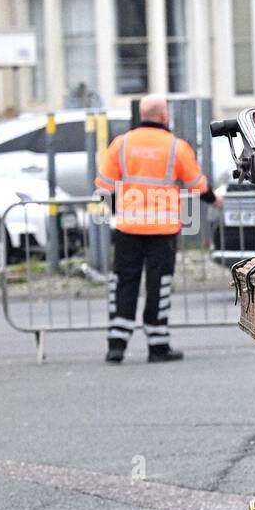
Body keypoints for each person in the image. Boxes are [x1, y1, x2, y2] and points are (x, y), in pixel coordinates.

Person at [95, 94, 220, 364]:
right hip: (163, 231)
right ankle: (157, 345)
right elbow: (197, 185)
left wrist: (118, 211)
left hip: (128, 228)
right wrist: (215, 201)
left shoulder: (121, 144)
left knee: (123, 283)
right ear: (164, 116)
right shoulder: (176, 147)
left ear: (142, 115)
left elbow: (102, 188)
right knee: (158, 284)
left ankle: (117, 345)